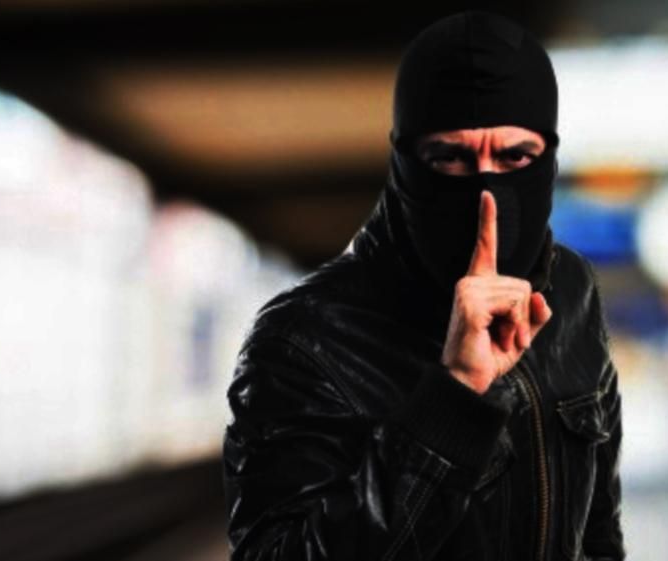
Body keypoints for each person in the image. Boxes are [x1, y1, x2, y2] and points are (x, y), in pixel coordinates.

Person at [224, 11, 624, 560]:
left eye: (515, 157)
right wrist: (454, 398)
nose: (486, 193)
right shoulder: (305, 338)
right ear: (404, 163)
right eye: (450, 158)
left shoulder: (572, 291)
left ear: (548, 159)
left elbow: (599, 532)